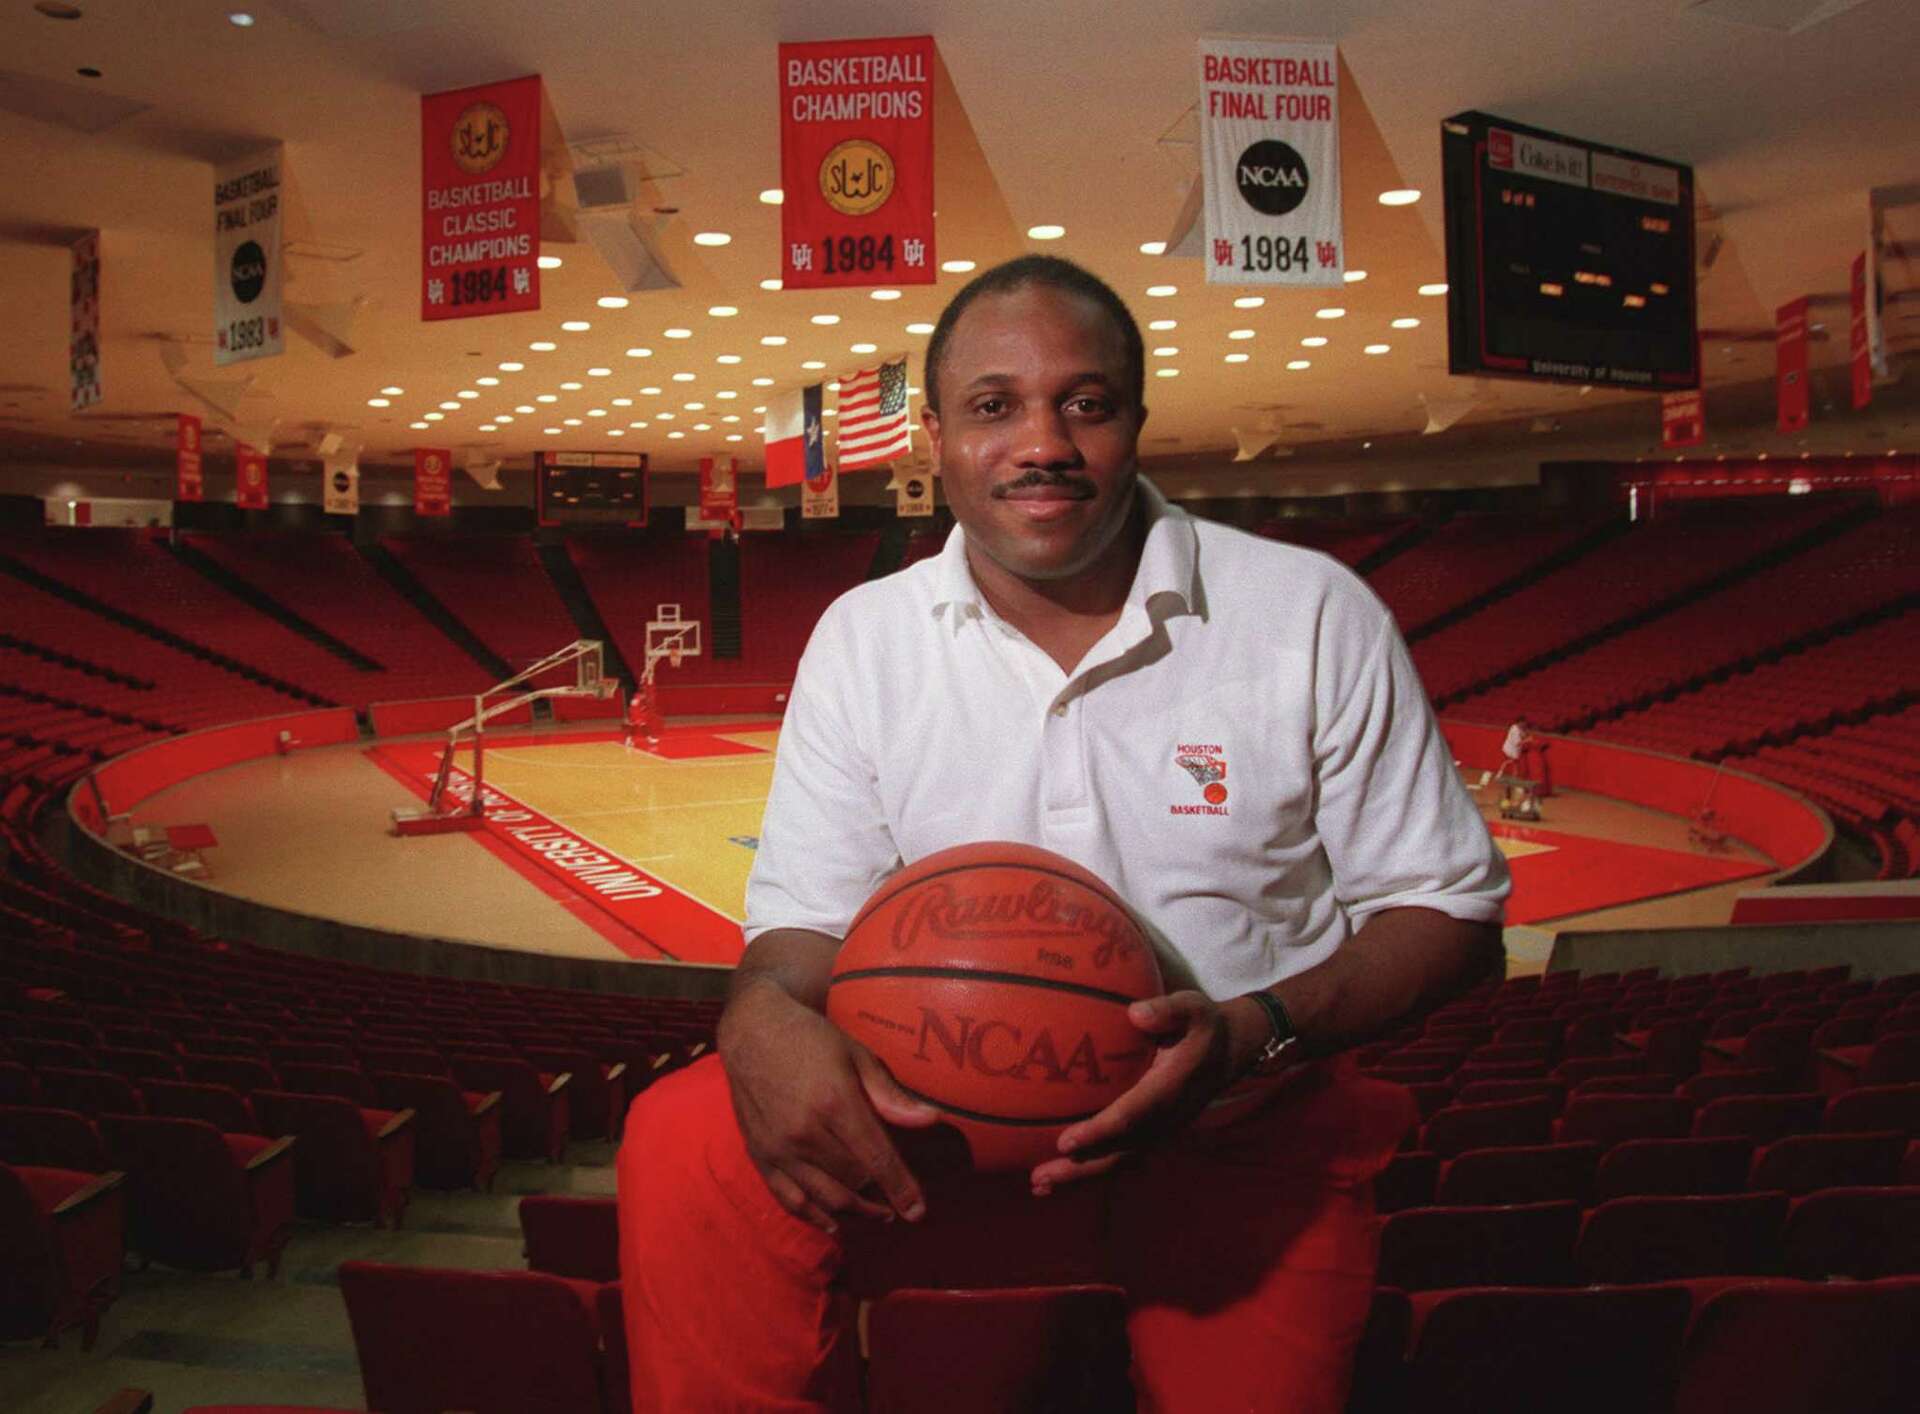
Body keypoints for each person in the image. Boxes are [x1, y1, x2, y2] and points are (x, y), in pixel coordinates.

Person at [617, 256, 1509, 1412]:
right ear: (935, 435)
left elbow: (1454, 919)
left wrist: (1258, 1034)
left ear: (1135, 420)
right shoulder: (863, 637)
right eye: (995, 406)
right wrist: (756, 1016)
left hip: (1237, 1126)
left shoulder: (1310, 612)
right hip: (947, 1126)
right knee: (683, 1136)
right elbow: (801, 926)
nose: (1042, 441)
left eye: (1083, 402)